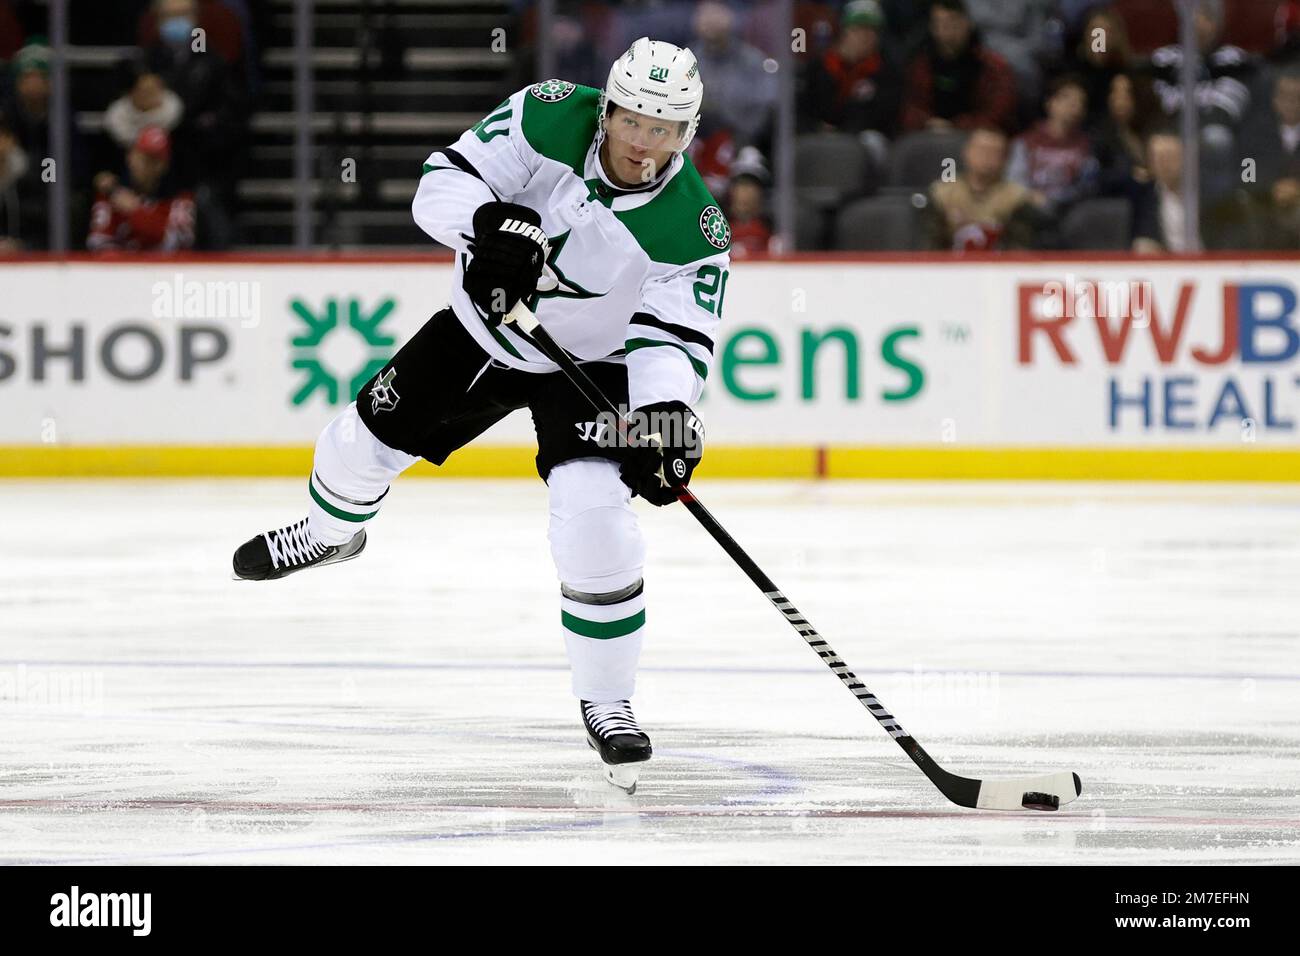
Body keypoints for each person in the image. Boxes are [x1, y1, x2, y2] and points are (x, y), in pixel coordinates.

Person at [230, 40, 731, 796]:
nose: (642, 143)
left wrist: (663, 418)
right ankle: (331, 536)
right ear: (609, 106)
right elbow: (440, 184)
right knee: (351, 450)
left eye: (663, 130)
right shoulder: (547, 114)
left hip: (588, 365)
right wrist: (489, 224)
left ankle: (608, 700)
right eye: (632, 120)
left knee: (594, 518)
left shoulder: (693, 228)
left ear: (687, 135)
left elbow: (673, 338)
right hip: (480, 328)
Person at [901, 0, 1018, 134]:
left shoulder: (992, 67)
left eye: (953, 22)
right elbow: (910, 108)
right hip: (929, 136)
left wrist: (955, 126)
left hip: (975, 138)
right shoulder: (921, 65)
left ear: (968, 24)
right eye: (939, 22)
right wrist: (928, 122)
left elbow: (998, 113)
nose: (945, 29)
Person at [922, 125, 1042, 251]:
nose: (986, 157)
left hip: (999, 266)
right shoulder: (942, 193)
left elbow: (1019, 248)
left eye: (994, 152)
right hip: (950, 266)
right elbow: (930, 244)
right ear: (967, 152)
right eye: (981, 150)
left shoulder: (1016, 197)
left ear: (1005, 159)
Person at [799, 0, 903, 138]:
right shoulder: (818, 66)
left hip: (860, 140)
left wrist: (845, 131)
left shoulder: (885, 71)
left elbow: (885, 115)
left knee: (872, 140)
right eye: (859, 29)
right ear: (844, 31)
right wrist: (817, 126)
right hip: (818, 138)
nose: (866, 37)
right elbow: (802, 109)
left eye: (873, 31)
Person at [86, 126, 195, 251]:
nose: (147, 166)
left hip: (164, 270)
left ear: (165, 165)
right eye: (142, 157)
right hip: (121, 269)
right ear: (130, 156)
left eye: (155, 160)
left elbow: (178, 245)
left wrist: (136, 212)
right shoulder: (111, 193)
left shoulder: (180, 199)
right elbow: (98, 245)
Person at [1007, 74, 1099, 216]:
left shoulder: (1086, 145)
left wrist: (1059, 199)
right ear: (1050, 103)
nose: (1074, 106)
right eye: (1066, 98)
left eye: (1080, 102)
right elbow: (1014, 180)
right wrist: (1030, 196)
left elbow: (1086, 186)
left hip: (1068, 209)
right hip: (1029, 207)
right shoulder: (1027, 141)